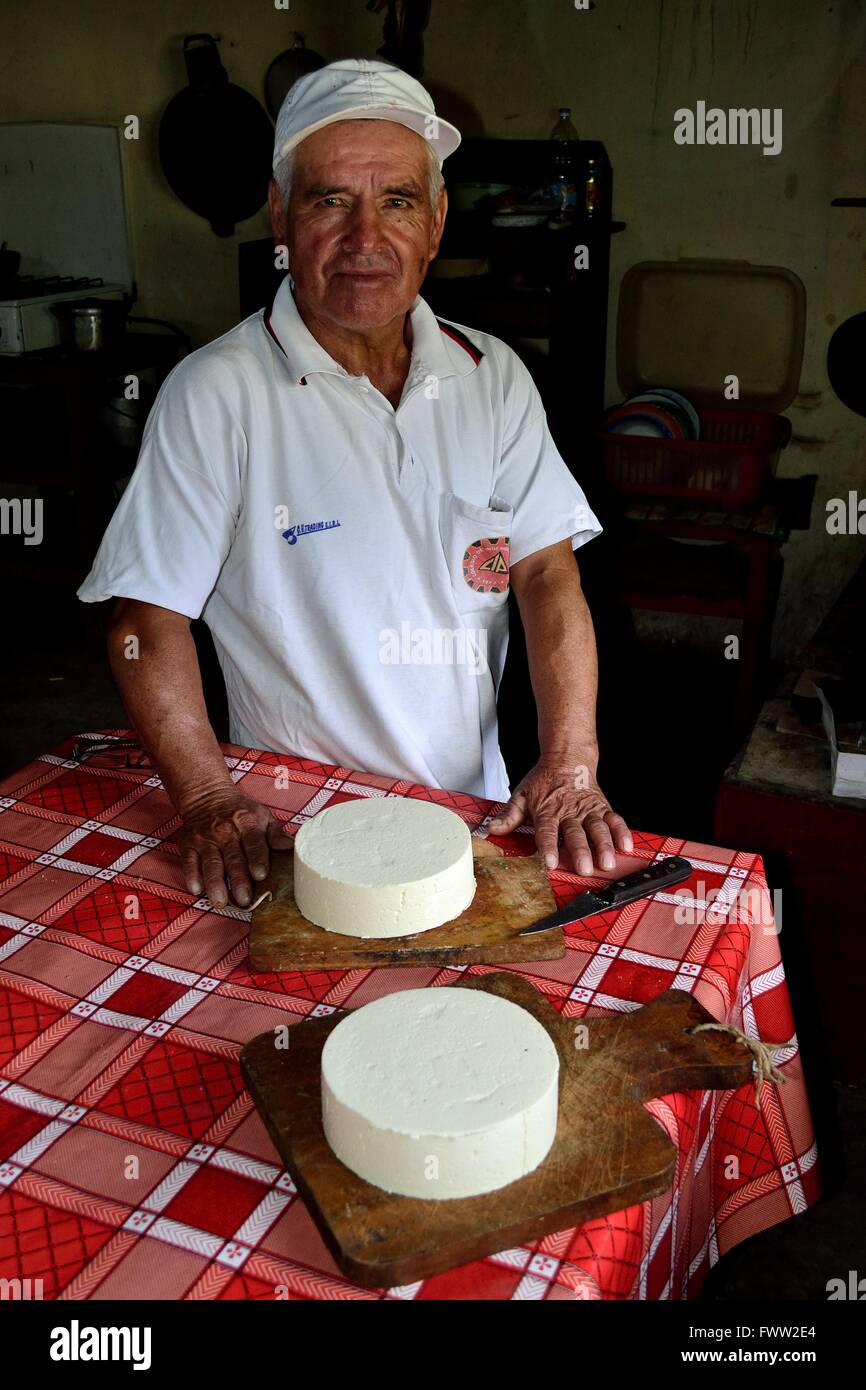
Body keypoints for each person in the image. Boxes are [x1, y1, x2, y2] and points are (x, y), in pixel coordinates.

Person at [78, 58, 631, 909]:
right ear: (280, 215)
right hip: (294, 823)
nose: (366, 237)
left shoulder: (494, 376)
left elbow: (547, 573)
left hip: (468, 817)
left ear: (438, 220)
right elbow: (145, 624)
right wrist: (209, 799)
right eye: (331, 199)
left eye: (398, 201)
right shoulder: (217, 391)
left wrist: (570, 762)